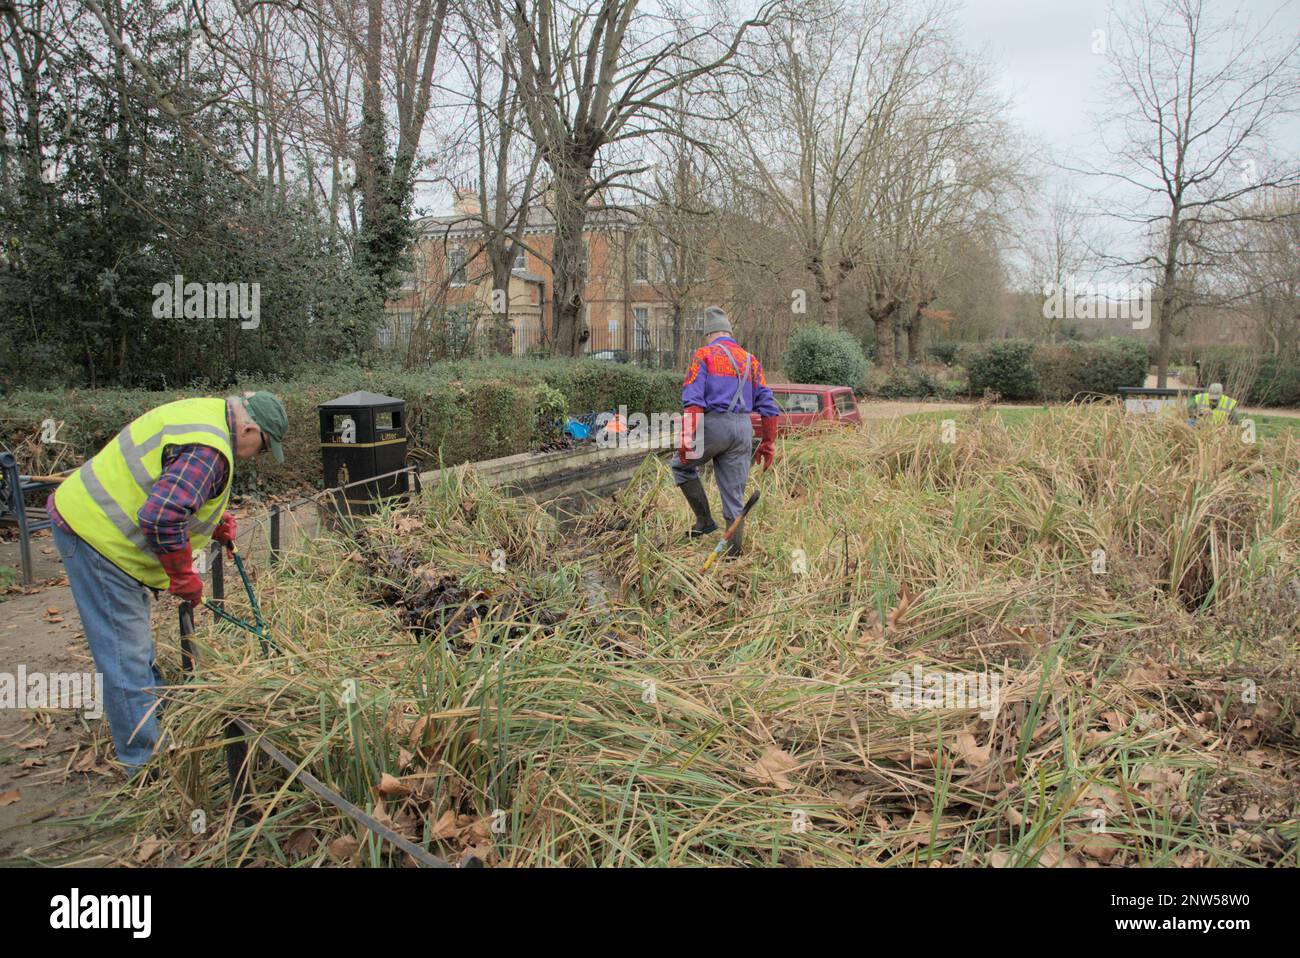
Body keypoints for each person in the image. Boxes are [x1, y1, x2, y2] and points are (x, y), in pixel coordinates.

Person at [46, 391, 287, 776]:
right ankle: (144, 765)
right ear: (249, 428)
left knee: (132, 640)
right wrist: (181, 575)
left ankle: (156, 715)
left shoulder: (208, 415)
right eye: (262, 447)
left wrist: (212, 523)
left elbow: (175, 488)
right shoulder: (210, 450)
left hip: (101, 528)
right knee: (125, 652)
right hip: (98, 536)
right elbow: (161, 516)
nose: (256, 456)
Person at [671, 307, 780, 556]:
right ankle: (734, 555)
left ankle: (705, 521)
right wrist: (768, 442)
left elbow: (694, 402)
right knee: (734, 497)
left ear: (709, 334)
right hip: (743, 429)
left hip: (714, 426)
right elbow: (768, 406)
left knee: (680, 466)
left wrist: (688, 440)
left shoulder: (704, 355)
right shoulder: (750, 360)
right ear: (729, 332)